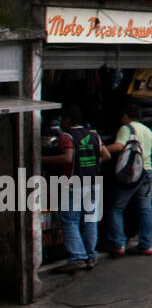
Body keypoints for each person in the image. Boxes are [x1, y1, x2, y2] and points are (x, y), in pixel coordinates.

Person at [43, 105, 109, 272]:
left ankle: (78, 257)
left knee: (70, 220)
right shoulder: (94, 135)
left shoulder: (66, 136)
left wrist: (41, 159)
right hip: (94, 182)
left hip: (74, 183)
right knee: (90, 219)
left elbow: (67, 158)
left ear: (67, 120)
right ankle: (91, 256)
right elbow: (106, 155)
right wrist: (91, 166)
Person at [105, 103, 152, 257]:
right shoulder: (148, 131)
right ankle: (146, 245)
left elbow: (119, 146)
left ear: (126, 115)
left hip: (131, 173)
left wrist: (102, 149)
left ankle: (118, 244)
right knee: (145, 209)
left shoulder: (126, 129)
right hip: (147, 171)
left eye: (122, 116)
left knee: (116, 208)